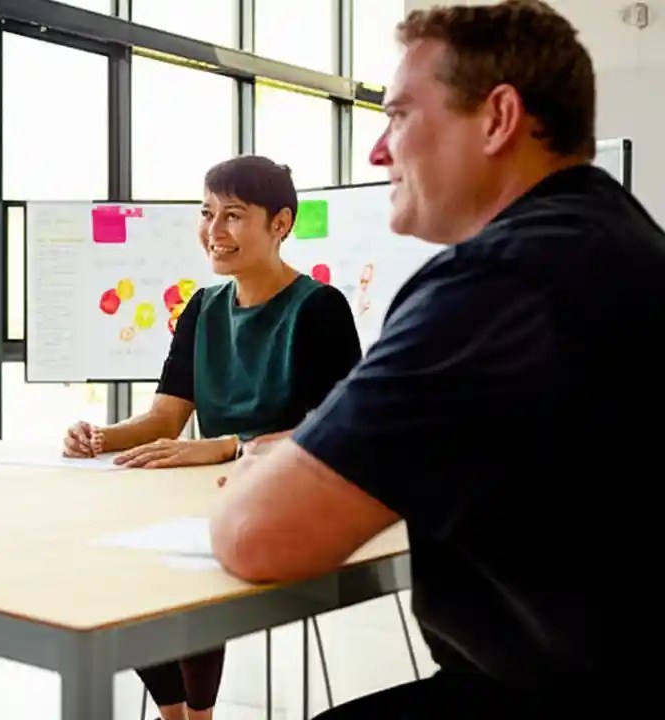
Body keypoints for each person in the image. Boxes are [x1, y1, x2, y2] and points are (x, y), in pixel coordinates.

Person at [209, 2, 660, 717]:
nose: (377, 153)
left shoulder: (499, 280)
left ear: (497, 117)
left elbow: (256, 537)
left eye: (399, 117)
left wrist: (253, 472)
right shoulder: (614, 238)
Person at [66, 156, 361, 720]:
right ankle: (177, 715)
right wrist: (98, 436)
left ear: (280, 224)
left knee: (183, 566)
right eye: (207, 214)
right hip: (211, 492)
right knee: (129, 560)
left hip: (284, 498)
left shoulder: (320, 308)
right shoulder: (202, 308)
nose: (214, 231)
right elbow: (162, 420)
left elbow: (339, 429)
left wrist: (230, 445)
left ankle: (195, 718)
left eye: (233, 215)